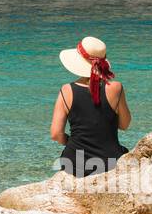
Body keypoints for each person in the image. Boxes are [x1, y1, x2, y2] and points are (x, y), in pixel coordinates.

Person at [51, 36, 131, 176]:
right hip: (109, 163)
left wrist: (71, 142)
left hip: (74, 164)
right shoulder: (116, 88)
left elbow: (55, 134)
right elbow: (124, 125)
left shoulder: (66, 90)